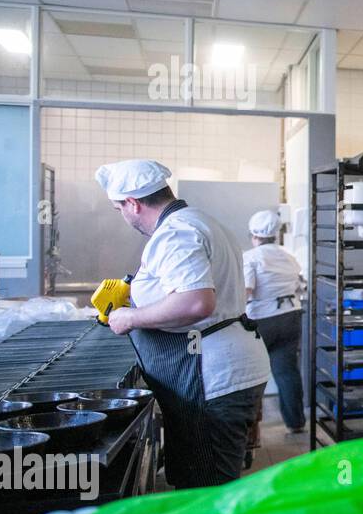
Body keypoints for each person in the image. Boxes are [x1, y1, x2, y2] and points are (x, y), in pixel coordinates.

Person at [96, 160, 270, 489]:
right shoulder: (199, 221)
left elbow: (195, 301)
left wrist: (130, 317)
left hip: (210, 377)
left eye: (118, 208)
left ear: (133, 204)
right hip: (222, 366)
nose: (122, 216)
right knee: (203, 477)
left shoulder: (174, 233)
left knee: (206, 489)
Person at [243, 209, 305, 433]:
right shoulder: (289, 256)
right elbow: (299, 286)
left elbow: (246, 292)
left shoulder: (250, 258)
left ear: (254, 236)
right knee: (287, 372)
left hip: (262, 320)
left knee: (251, 374)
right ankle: (295, 423)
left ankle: (249, 428)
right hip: (291, 316)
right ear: (276, 235)